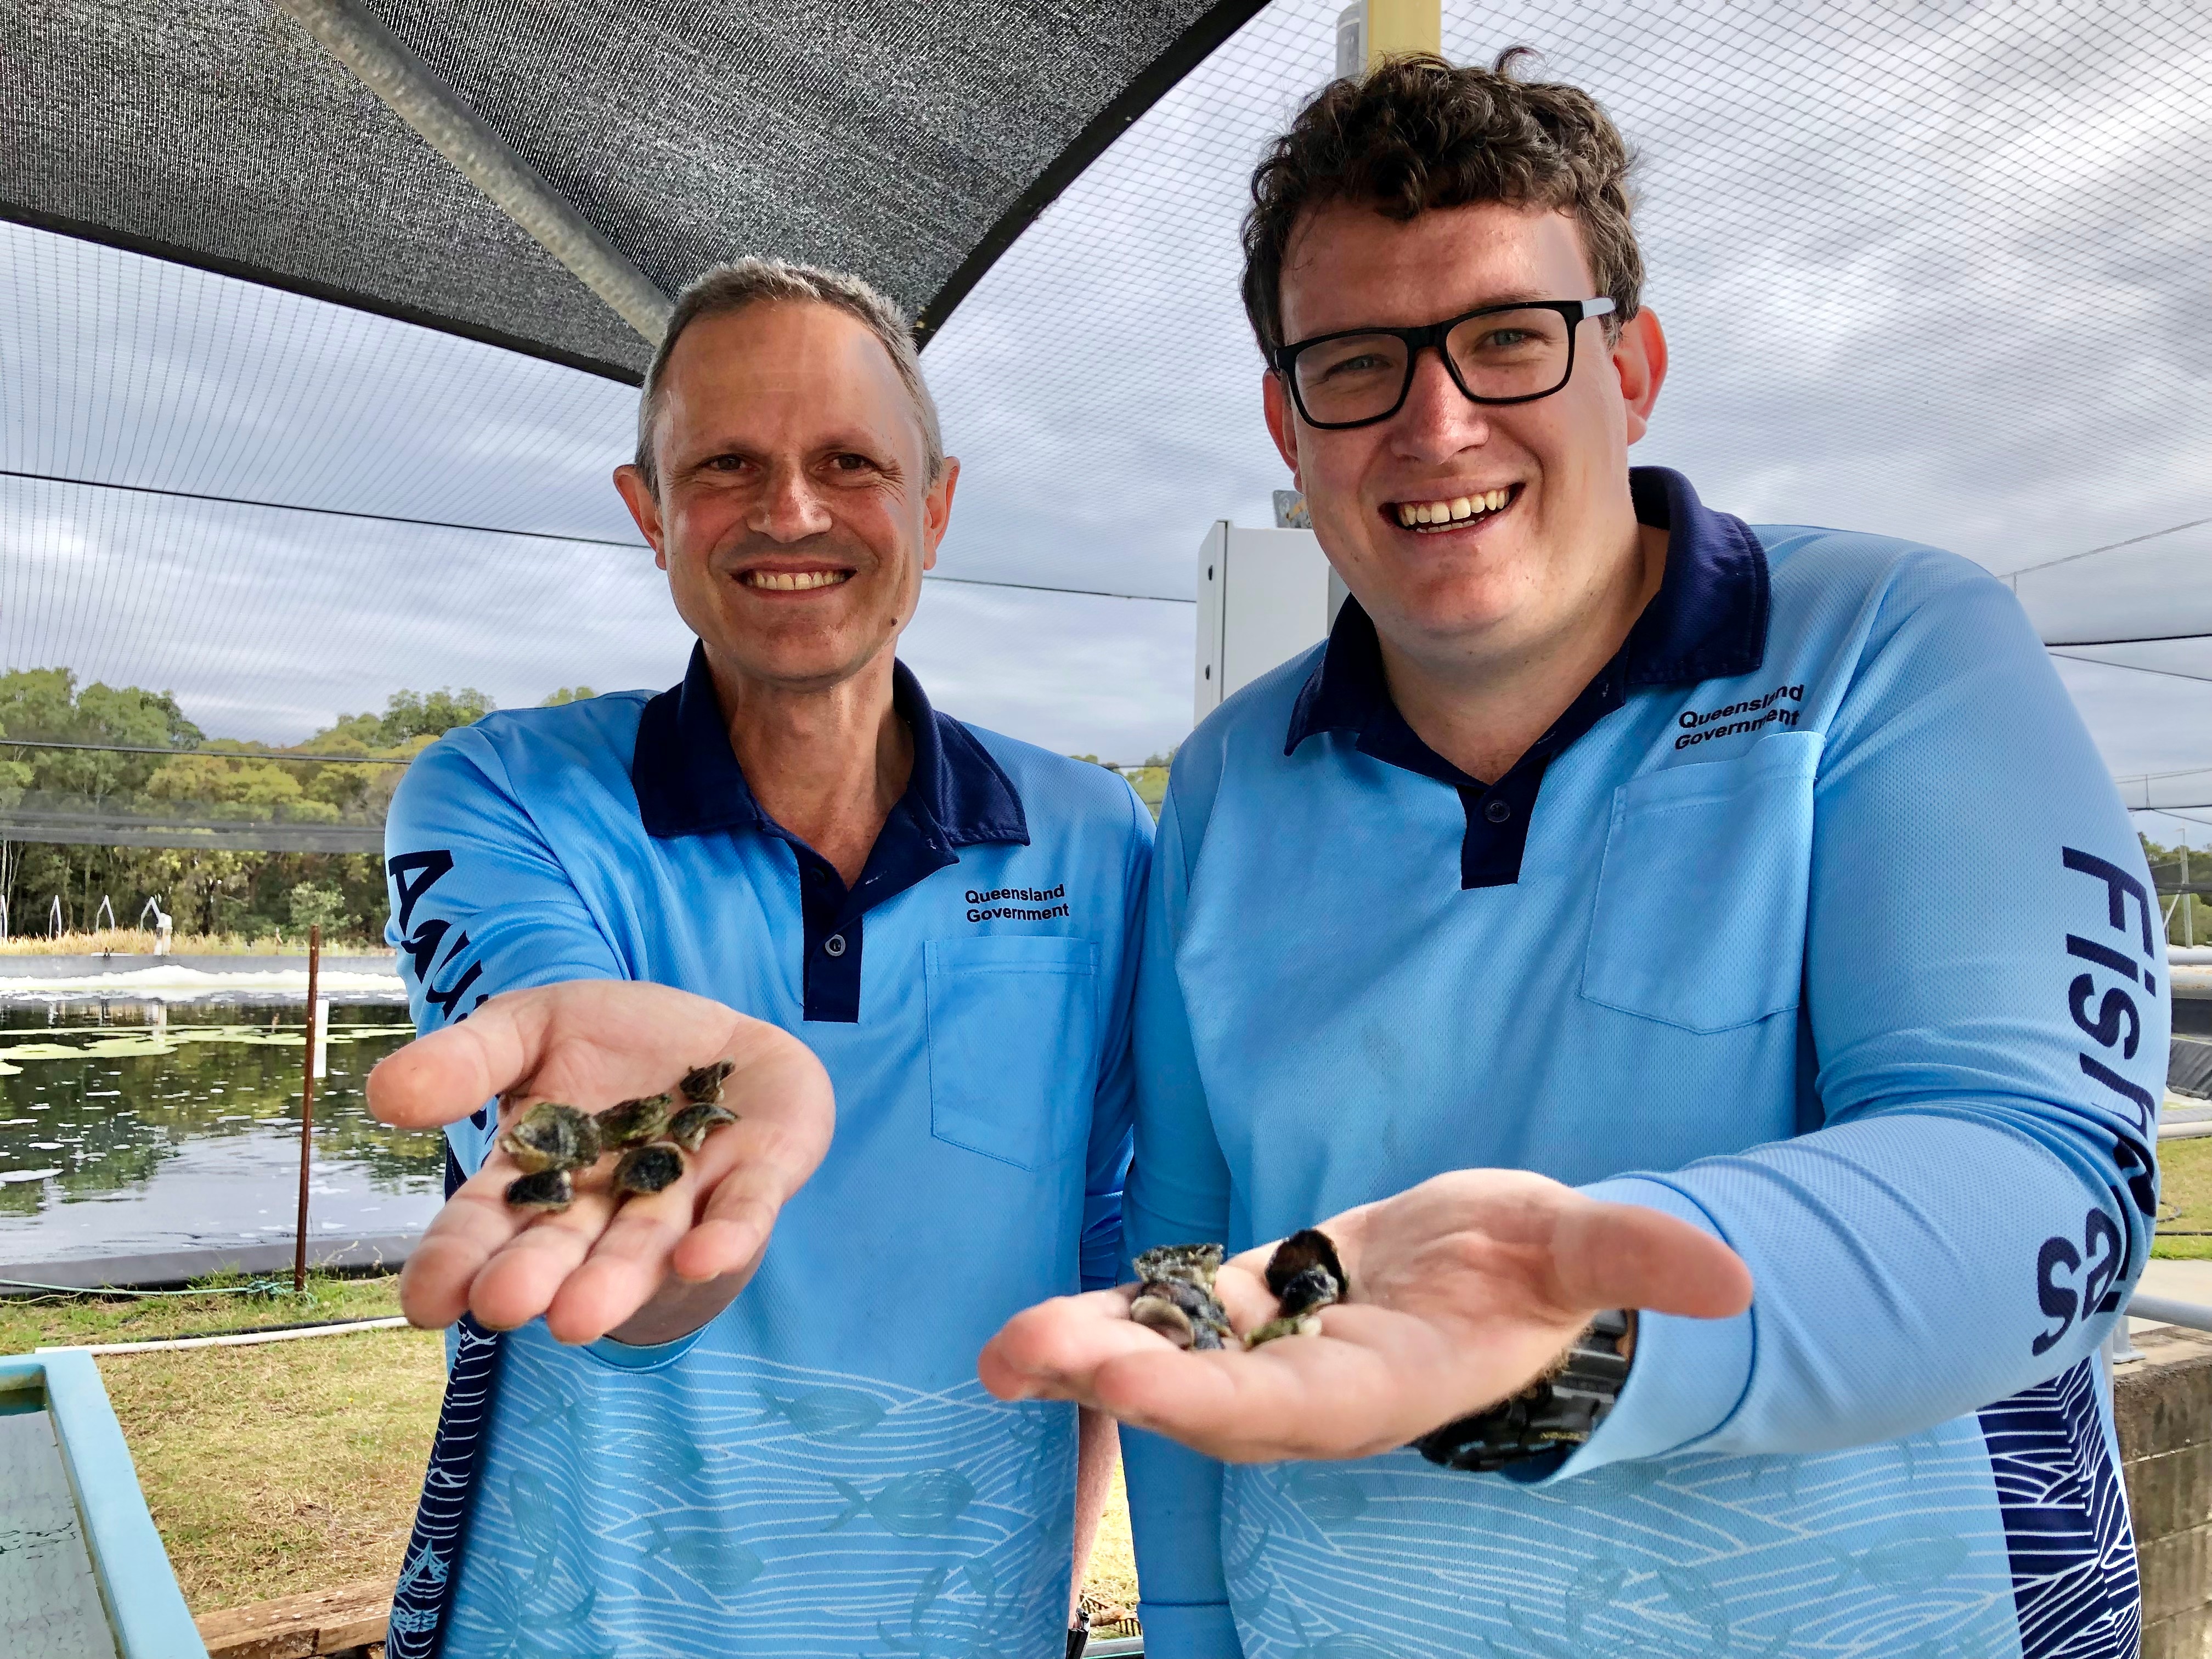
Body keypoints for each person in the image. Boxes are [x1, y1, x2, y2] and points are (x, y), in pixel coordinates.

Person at [981, 53, 2164, 1659]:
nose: (1436, 421)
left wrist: (1590, 1336)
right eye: (1356, 363)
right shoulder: (1231, 783)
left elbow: (2050, 1185)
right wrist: (1188, 1624)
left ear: (1634, 365)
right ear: (1288, 418)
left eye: (1508, 339)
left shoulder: (1896, 646)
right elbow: (1188, 1247)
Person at [367, 258, 1150, 1658]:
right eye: (726, 465)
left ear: (936, 505)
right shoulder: (498, 796)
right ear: (648, 512)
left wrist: (1045, 1579)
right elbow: (598, 1210)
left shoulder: (1094, 836)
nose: (792, 512)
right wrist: (671, 1195)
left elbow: (1110, 1245)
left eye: (849, 461)